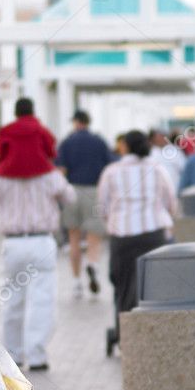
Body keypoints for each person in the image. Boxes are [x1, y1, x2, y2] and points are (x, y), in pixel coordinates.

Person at [0, 158, 75, 373]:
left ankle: (13, 354)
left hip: (13, 242)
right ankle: (37, 355)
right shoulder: (50, 174)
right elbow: (69, 196)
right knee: (42, 300)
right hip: (41, 241)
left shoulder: (0, 175)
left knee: (12, 299)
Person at [97, 129, 177, 343]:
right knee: (154, 286)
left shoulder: (111, 171)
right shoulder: (157, 169)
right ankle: (154, 335)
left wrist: (115, 221)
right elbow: (171, 203)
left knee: (123, 286)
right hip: (154, 236)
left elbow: (102, 207)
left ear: (125, 146)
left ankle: (126, 336)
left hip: (122, 238)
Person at [56, 110, 113, 298]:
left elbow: (61, 170)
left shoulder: (67, 142)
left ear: (76, 122)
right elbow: (109, 166)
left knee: (73, 237)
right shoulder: (99, 142)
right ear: (88, 122)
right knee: (93, 235)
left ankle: (76, 282)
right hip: (94, 191)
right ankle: (92, 263)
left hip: (72, 191)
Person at [0, 97, 56, 179]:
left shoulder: (5, 131)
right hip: (40, 173)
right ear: (32, 112)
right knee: (67, 191)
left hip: (10, 175)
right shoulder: (41, 130)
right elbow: (51, 152)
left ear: (15, 112)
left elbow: (1, 155)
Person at [149, 128, 185, 193]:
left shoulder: (175, 151)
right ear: (154, 139)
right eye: (157, 137)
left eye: (162, 136)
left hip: (175, 189)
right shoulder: (150, 153)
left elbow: (183, 168)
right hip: (157, 191)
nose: (160, 139)